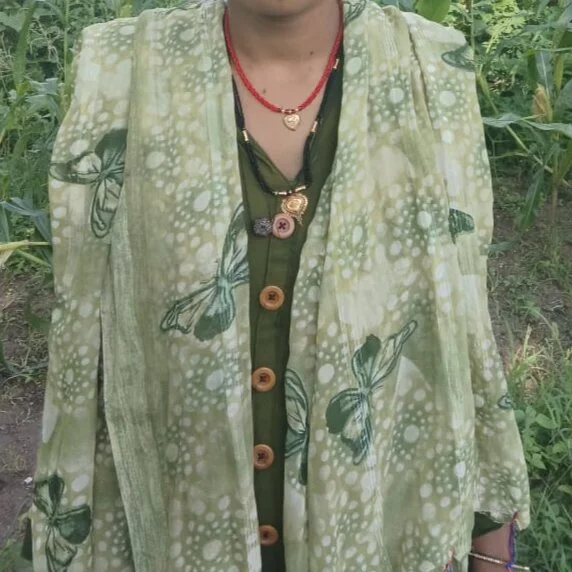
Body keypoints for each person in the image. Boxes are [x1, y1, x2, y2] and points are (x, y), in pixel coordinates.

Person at [25, 0, 531, 570]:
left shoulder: (431, 68)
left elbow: (460, 326)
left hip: (372, 525)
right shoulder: (124, 70)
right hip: (178, 520)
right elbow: (84, 347)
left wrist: (491, 542)